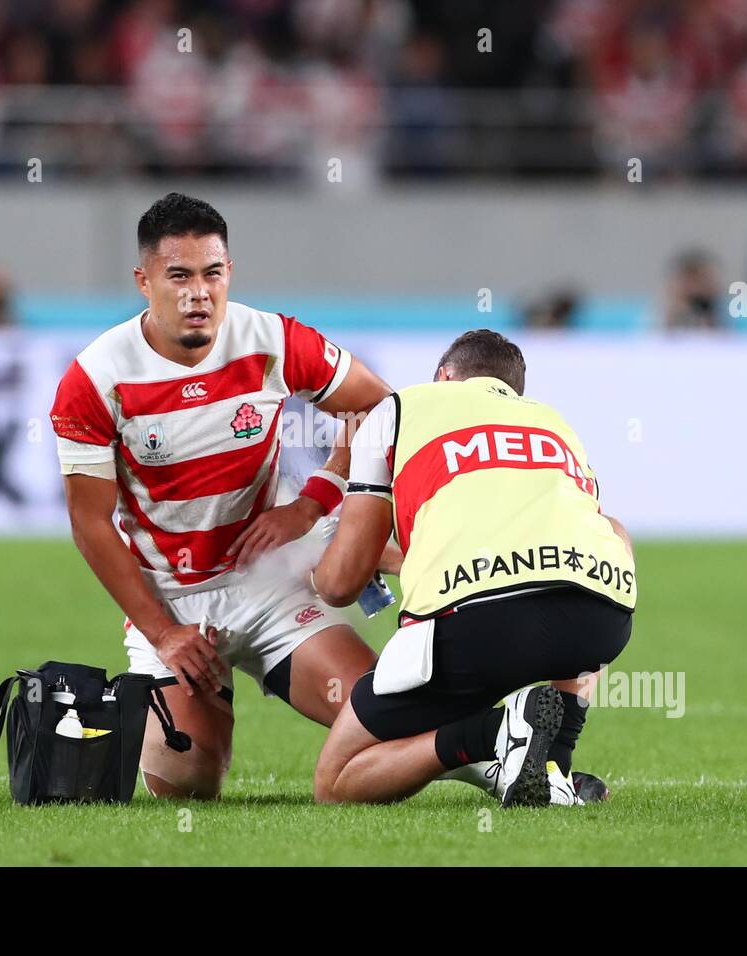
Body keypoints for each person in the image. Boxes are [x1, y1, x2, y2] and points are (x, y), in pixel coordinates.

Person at [50, 192, 390, 799]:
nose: (197, 292)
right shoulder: (96, 379)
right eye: (177, 275)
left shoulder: (272, 339)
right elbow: (91, 526)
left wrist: (314, 500)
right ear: (143, 280)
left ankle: (510, 760)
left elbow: (378, 407)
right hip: (173, 601)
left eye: (212, 273)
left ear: (228, 273)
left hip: (269, 583)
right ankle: (167, 704)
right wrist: (162, 633)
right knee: (187, 785)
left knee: (383, 714)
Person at [311, 329, 637, 807]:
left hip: (477, 630)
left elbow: (341, 584)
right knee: (608, 531)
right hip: (600, 619)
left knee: (337, 782)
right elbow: (535, 547)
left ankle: (491, 734)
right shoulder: (553, 423)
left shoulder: (397, 410)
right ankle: (554, 765)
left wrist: (314, 566)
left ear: (445, 375)